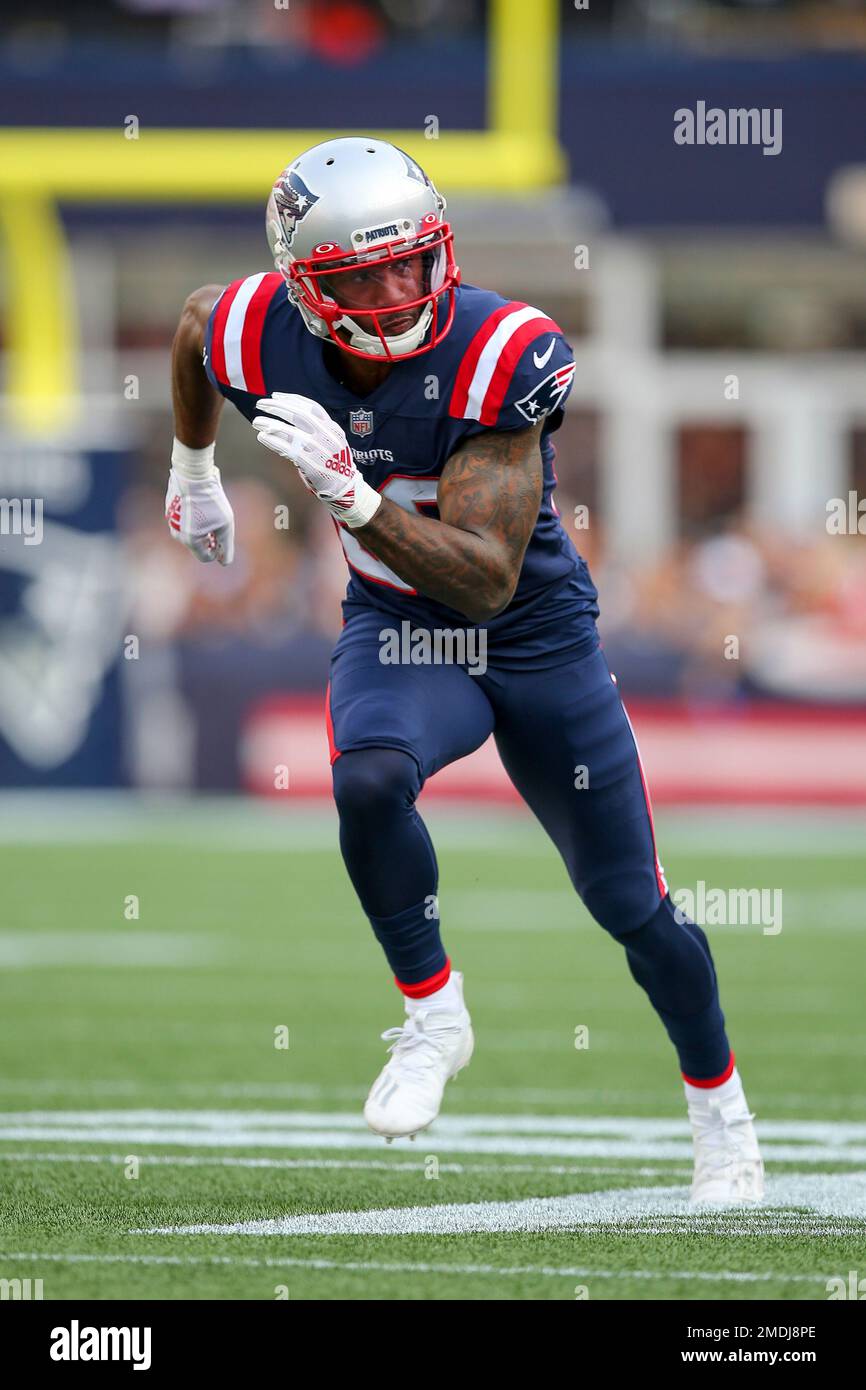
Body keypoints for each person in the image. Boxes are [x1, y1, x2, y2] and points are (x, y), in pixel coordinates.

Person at [167, 136, 764, 1204]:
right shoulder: (257, 325)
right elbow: (193, 325)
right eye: (365, 274)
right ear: (306, 286)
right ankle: (431, 1009)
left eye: (415, 259)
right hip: (398, 627)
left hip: (532, 639)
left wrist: (353, 498)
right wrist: (195, 467)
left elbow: (486, 581)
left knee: (634, 906)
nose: (401, 290)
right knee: (365, 777)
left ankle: (719, 1111)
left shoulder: (501, 349)